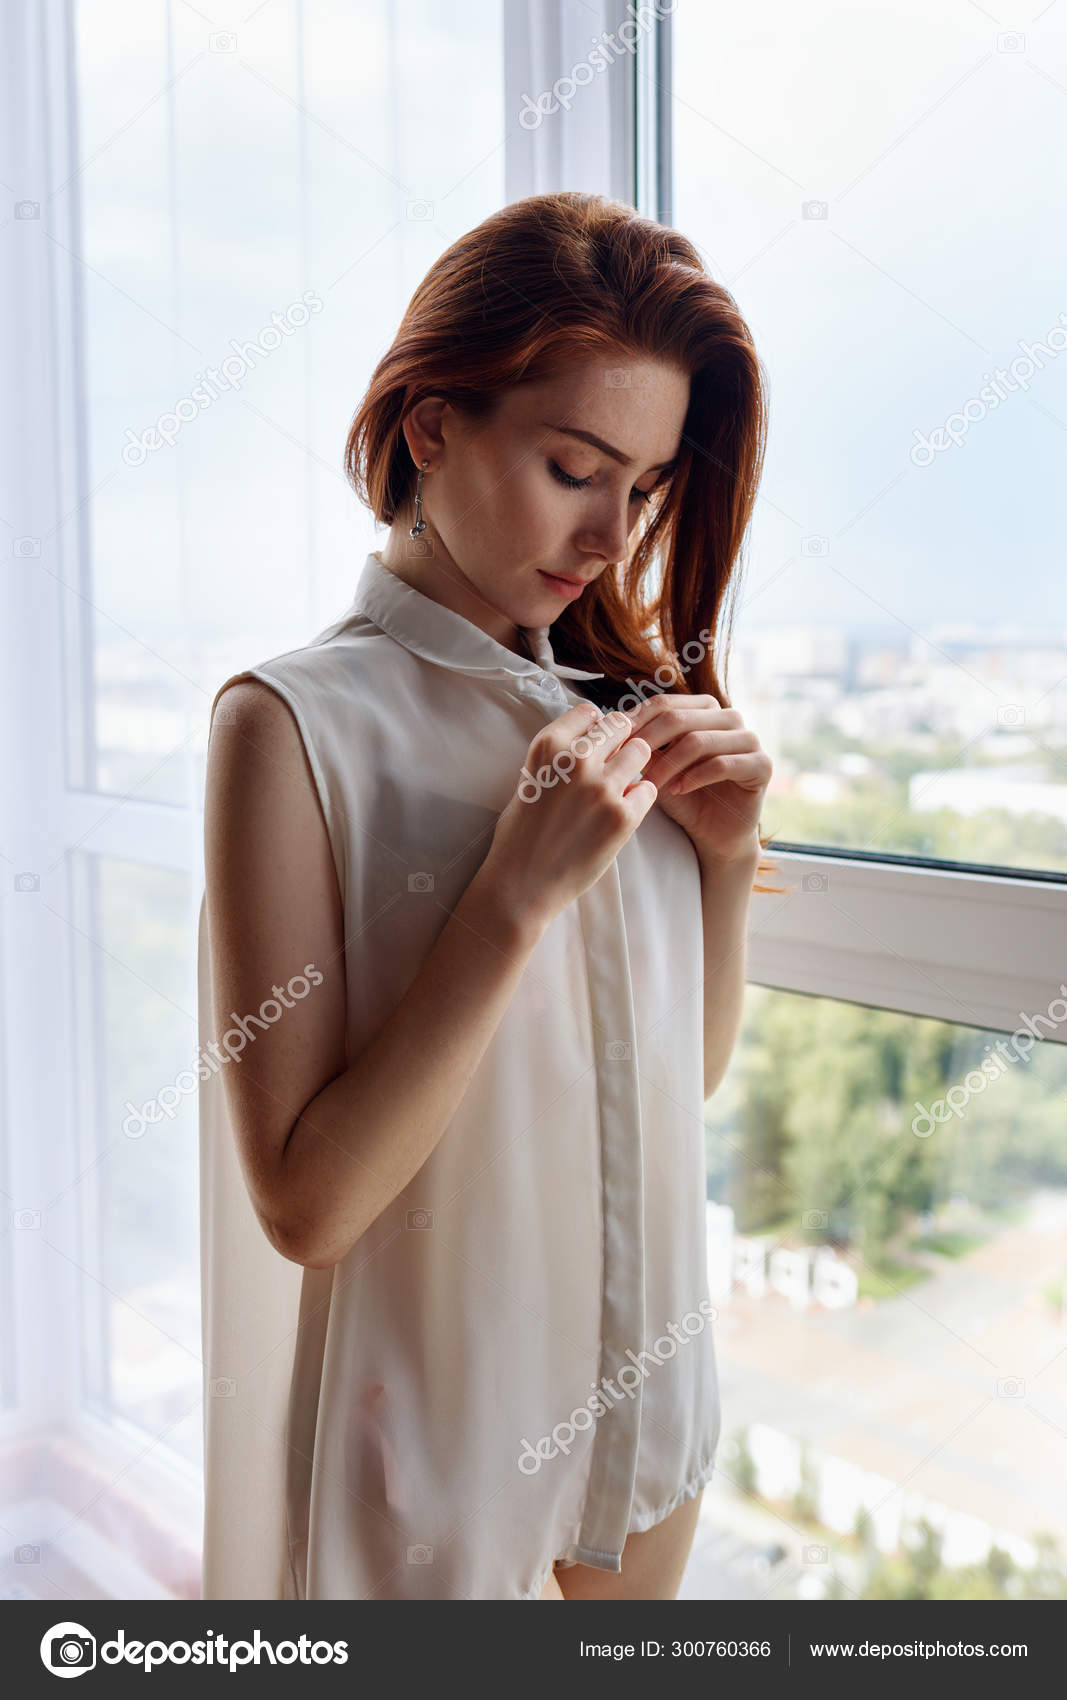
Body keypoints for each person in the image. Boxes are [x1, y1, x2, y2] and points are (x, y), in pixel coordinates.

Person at [198, 189, 779, 1602]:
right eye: (575, 465)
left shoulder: (623, 712)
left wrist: (728, 860)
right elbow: (306, 1203)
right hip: (439, 1481)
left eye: (642, 489)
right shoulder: (291, 726)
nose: (609, 533)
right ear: (432, 425)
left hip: (651, 1448)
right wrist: (510, 901)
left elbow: (672, 1085)